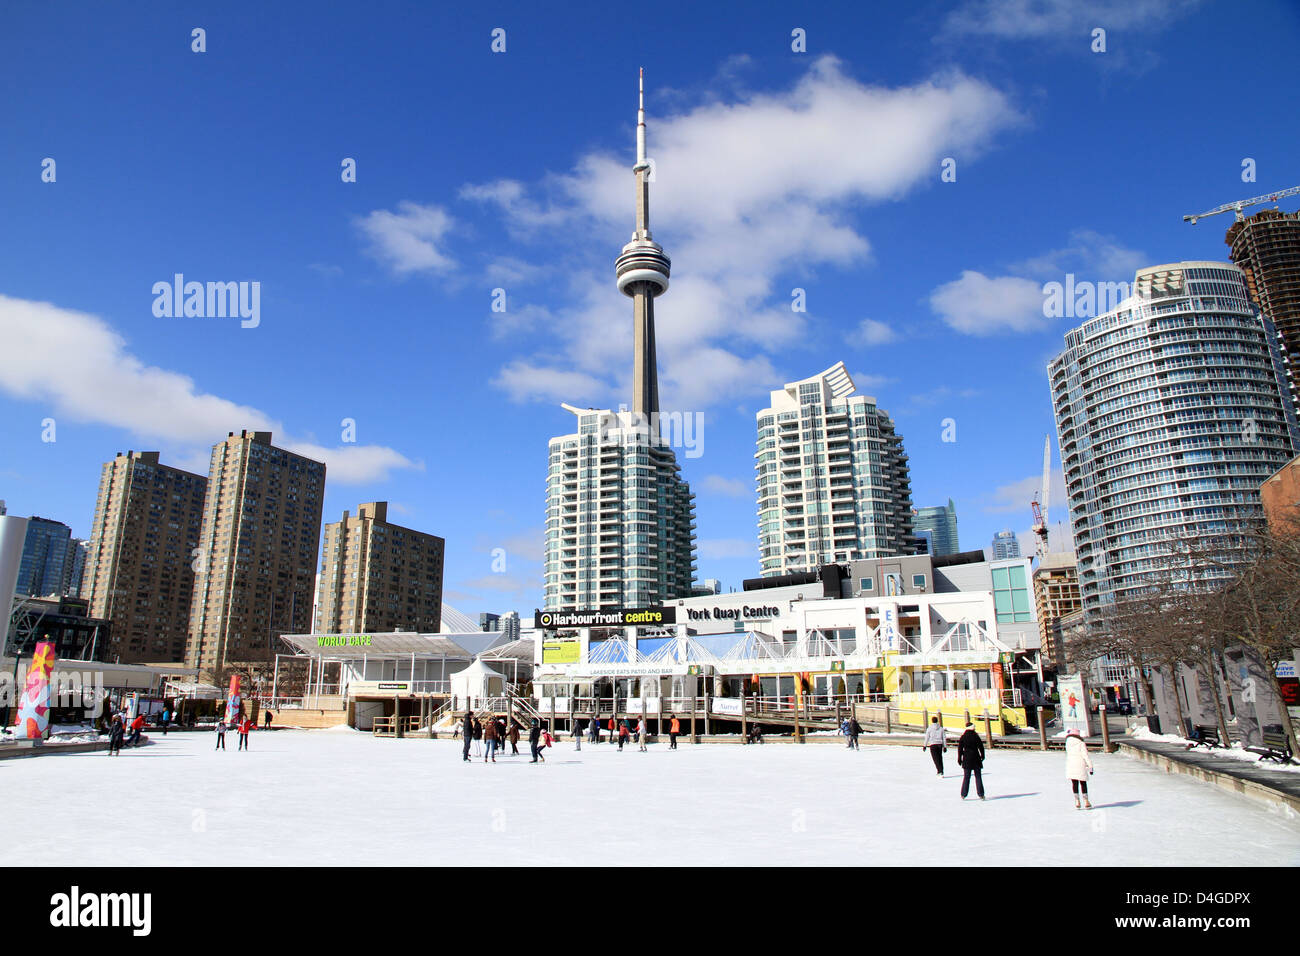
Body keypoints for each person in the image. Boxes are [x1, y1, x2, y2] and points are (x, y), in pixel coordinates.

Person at [1065, 728, 1094, 809]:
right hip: (1080, 763)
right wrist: (1090, 767)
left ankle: (1077, 801)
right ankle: (1086, 801)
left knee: (1074, 783)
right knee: (1083, 783)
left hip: (1070, 764)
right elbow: (1085, 755)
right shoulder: (1081, 743)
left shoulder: (1067, 743)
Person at [956, 721, 985, 800]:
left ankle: (963, 794)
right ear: (972, 728)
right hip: (976, 758)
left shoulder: (963, 736)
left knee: (966, 777)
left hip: (967, 758)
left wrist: (959, 758)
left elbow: (960, 749)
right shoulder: (976, 736)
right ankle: (981, 794)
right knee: (978, 777)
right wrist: (982, 755)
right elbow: (981, 746)